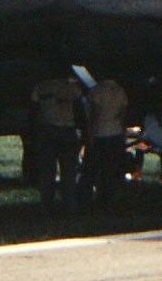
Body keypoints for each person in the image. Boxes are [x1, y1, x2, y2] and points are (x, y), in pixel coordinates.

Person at [30, 74, 87, 207]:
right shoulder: (72, 88)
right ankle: (69, 203)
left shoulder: (41, 87)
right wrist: (83, 131)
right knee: (69, 171)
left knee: (47, 170)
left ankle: (47, 202)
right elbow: (80, 111)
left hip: (47, 130)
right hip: (68, 130)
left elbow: (34, 110)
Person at [81, 78, 129, 208]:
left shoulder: (96, 91)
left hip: (99, 133)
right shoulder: (120, 91)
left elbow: (93, 115)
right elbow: (123, 114)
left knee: (93, 167)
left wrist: (89, 133)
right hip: (115, 131)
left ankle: (87, 198)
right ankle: (109, 197)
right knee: (111, 167)